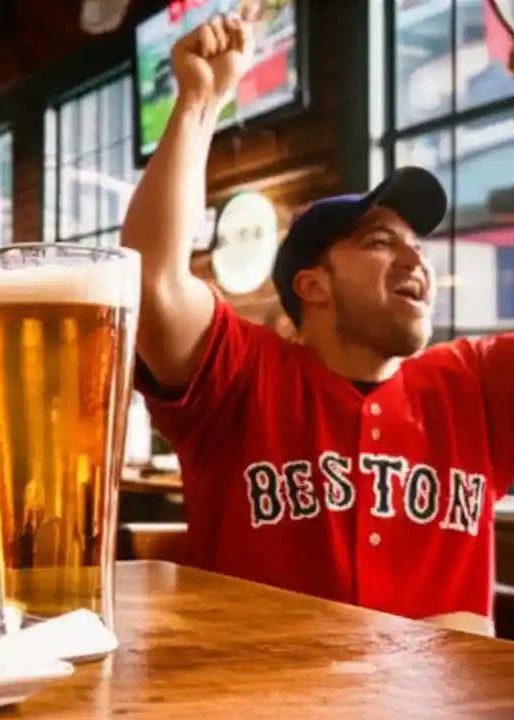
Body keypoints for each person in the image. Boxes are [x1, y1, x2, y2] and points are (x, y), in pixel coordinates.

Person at [123, 14, 514, 636]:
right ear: (314, 285)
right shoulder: (244, 375)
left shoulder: (473, 384)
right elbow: (151, 281)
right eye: (383, 241)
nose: (417, 260)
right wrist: (200, 98)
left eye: (419, 246)